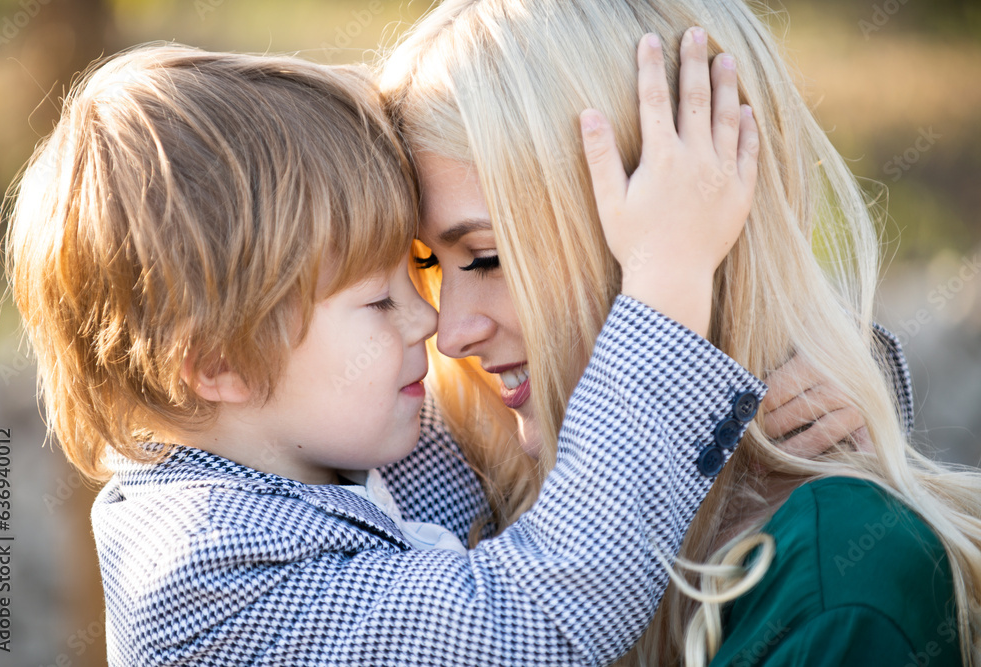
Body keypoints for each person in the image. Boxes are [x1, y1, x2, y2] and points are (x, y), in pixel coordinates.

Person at [3, 43, 769, 665]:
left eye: (421, 273)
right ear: (216, 364)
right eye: (377, 301)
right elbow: (544, 616)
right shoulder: (207, 579)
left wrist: (777, 402)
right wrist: (667, 277)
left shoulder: (328, 443)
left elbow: (587, 479)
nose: (430, 323)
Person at [378, 0, 981, 665]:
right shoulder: (446, 499)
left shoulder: (842, 576)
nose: (450, 332)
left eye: (489, 257)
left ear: (686, 224)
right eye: (430, 263)